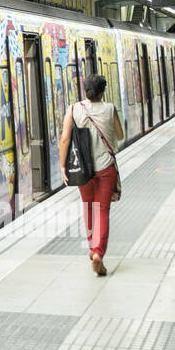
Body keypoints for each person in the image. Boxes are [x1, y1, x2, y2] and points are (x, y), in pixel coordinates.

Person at [58, 74, 124, 276]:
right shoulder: (110, 108)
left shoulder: (73, 109)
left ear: (85, 90)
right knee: (102, 210)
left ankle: (91, 246)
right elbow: (120, 136)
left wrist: (62, 166)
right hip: (106, 168)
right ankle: (98, 252)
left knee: (88, 207)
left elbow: (65, 139)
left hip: (83, 169)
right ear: (102, 91)